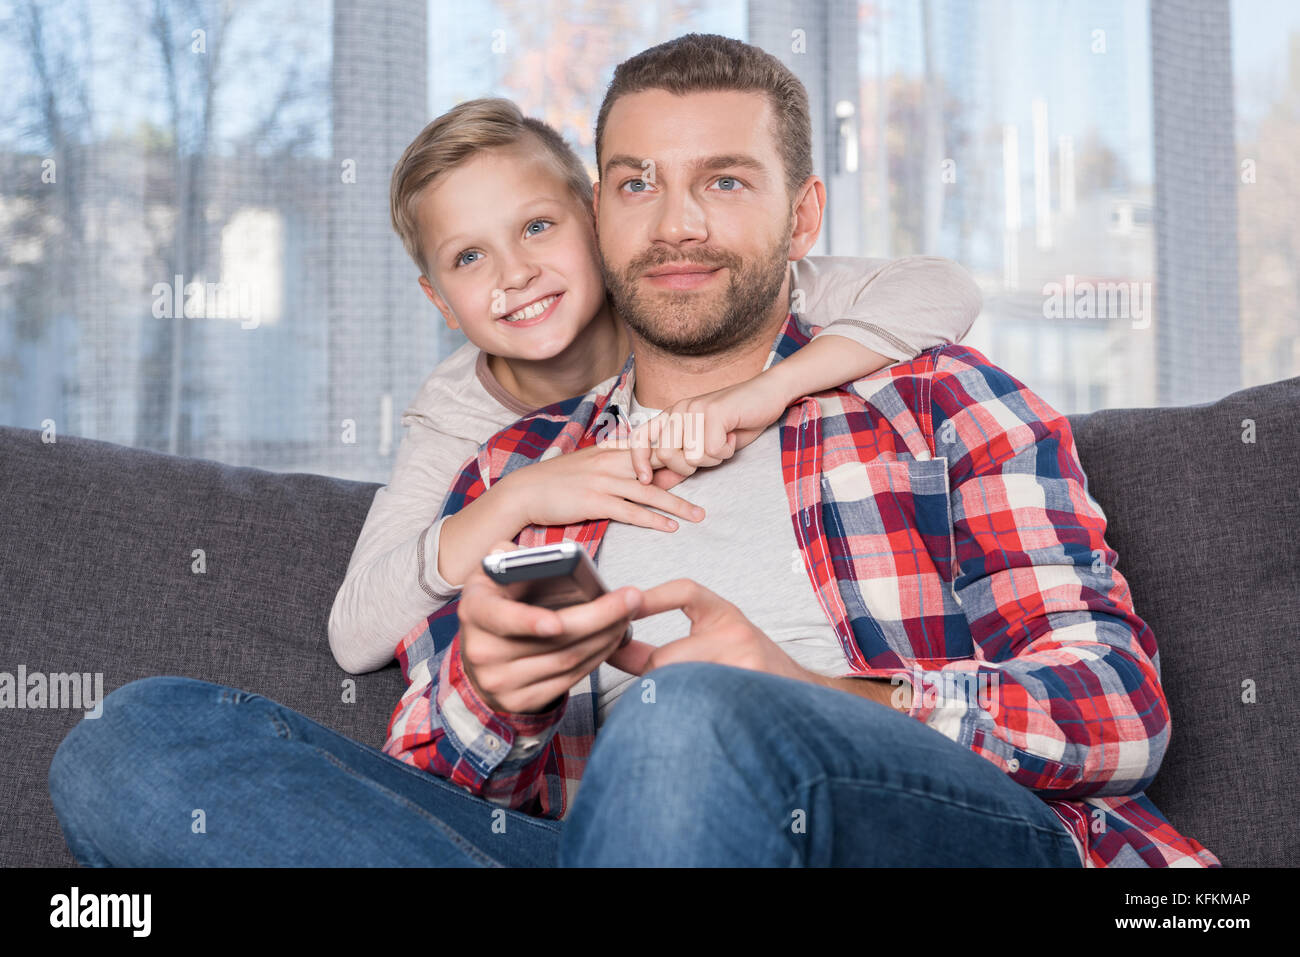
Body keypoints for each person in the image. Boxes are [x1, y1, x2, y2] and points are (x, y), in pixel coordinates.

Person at [48, 33, 1219, 868]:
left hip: (934, 826)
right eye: (635, 184)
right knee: (136, 742)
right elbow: (428, 789)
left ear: (802, 217)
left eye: (723, 180)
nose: (675, 224)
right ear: (601, 217)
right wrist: (494, 698)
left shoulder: (938, 397)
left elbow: (1117, 715)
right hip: (594, 844)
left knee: (687, 714)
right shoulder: (517, 468)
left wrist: (812, 693)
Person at [326, 95, 981, 675]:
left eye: (536, 227)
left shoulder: (680, 293)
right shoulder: (458, 414)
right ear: (439, 301)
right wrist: (517, 498)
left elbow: (944, 290)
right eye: (468, 257)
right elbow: (356, 634)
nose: (516, 272)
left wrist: (766, 390)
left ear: (595, 216)